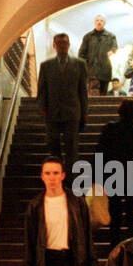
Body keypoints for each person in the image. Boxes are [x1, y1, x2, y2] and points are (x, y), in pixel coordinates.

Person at [95, 99, 133, 246]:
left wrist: (98, 176)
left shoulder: (109, 129)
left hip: (113, 175)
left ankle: (114, 242)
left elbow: (100, 153)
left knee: (115, 210)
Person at [37, 32, 88, 177]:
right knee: (53, 145)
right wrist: (42, 107)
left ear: (69, 45)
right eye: (59, 43)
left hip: (72, 112)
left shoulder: (79, 64)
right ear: (54, 46)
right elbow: (42, 89)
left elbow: (82, 90)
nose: (62, 46)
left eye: (65, 43)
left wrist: (84, 111)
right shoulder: (46, 66)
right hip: (52, 112)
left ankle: (71, 178)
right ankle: (57, 173)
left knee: (71, 147)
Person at [78, 15, 117, 97]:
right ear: (95, 22)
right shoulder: (88, 37)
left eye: (101, 20)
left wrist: (112, 51)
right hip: (92, 71)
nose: (99, 22)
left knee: (103, 96)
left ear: (104, 23)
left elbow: (115, 47)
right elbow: (81, 54)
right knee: (93, 95)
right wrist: (85, 66)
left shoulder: (111, 36)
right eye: (97, 20)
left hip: (105, 71)